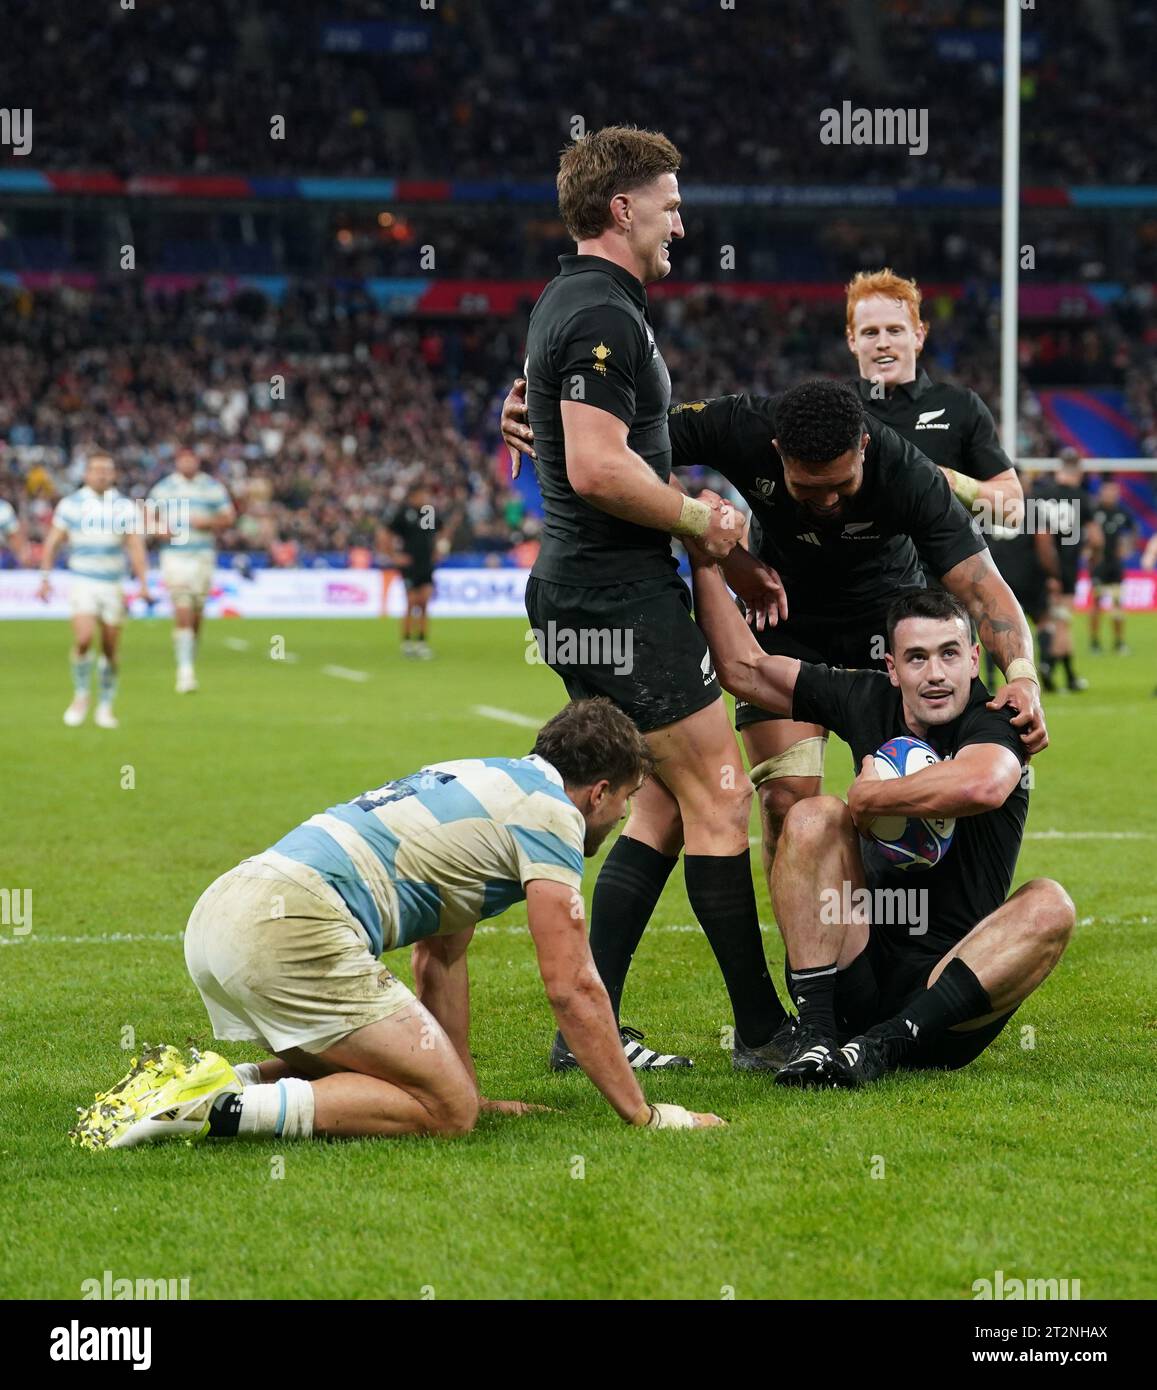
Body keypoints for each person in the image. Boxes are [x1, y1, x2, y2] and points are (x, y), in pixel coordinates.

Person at [69, 699, 725, 1150]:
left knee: (405, 1080)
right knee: (446, 1114)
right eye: (627, 802)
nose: (618, 822)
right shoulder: (551, 812)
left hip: (226, 908)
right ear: (598, 791)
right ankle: (210, 1111)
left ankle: (190, 1083)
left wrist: (460, 1074)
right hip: (291, 925)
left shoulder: (486, 776)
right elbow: (572, 986)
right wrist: (643, 1113)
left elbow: (440, 955)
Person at [520, 124, 791, 1074]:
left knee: (665, 807)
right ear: (623, 208)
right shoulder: (600, 313)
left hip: (591, 591)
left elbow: (570, 437)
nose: (682, 222)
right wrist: (697, 519)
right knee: (719, 793)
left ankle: (582, 1028)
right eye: (671, 205)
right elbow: (597, 466)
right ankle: (764, 1032)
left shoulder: (571, 300)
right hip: (612, 596)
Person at [690, 556, 1074, 1084]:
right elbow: (744, 670)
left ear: (973, 660)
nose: (935, 674)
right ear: (892, 667)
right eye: (916, 658)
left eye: (949, 654)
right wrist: (706, 557)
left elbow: (983, 784)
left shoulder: (997, 720)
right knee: (812, 816)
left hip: (948, 999)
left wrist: (873, 797)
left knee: (1051, 904)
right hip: (857, 965)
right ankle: (818, 1035)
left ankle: (884, 1045)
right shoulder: (866, 697)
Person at [37, 453, 152, 729]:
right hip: (84, 581)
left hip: (113, 584)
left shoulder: (124, 507)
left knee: (111, 648)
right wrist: (44, 577)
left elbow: (134, 545)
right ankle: (81, 696)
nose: (101, 474)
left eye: (106, 470)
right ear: (86, 474)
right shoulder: (71, 504)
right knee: (85, 639)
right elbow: (53, 541)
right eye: (96, 470)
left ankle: (106, 705)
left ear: (113, 475)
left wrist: (143, 582)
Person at [148, 447, 235, 693]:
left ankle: (188, 660)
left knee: (196, 614)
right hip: (175, 556)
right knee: (182, 609)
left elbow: (229, 517)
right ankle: (185, 672)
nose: (188, 464)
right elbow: (146, 516)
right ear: (177, 462)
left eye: (191, 460)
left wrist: (209, 522)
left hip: (203, 556)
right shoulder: (163, 488)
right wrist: (158, 529)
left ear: (196, 462)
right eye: (183, 460)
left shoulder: (211, 487)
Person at [1032, 449, 1089, 692]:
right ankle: (1047, 663)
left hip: (1038, 567)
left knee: (1050, 621)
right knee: (1062, 623)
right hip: (1065, 569)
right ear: (1078, 470)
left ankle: (1070, 676)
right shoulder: (1081, 497)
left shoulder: (1040, 495)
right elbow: (1095, 537)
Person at [382, 482, 440, 660]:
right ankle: (407, 643)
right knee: (411, 603)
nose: (425, 499)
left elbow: (432, 535)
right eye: (422, 495)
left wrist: (437, 551)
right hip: (409, 566)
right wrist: (394, 556)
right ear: (413, 497)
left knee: (423, 603)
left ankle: (421, 643)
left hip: (426, 565)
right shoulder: (403, 514)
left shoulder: (428, 512)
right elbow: (386, 534)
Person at [1086, 478, 1134, 655]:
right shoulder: (1094, 511)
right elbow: (1085, 533)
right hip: (1099, 565)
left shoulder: (1122, 512)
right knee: (1097, 604)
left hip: (1115, 565)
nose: (1111, 494)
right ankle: (1094, 642)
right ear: (1101, 492)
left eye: (1114, 491)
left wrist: (1128, 547)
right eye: (1108, 491)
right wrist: (1087, 550)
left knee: (1118, 604)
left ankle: (1119, 642)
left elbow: (1132, 530)